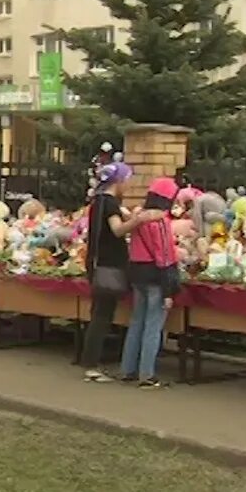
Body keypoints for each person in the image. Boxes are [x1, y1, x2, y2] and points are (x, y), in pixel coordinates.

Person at [79, 160, 160, 383]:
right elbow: (117, 230)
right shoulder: (110, 203)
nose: (129, 185)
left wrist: (132, 216)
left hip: (97, 263)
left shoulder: (98, 201)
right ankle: (92, 366)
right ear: (119, 181)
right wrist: (139, 220)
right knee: (102, 315)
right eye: (127, 180)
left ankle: (89, 362)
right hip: (109, 264)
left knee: (98, 313)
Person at [120, 176, 181, 389]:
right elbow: (164, 257)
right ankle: (147, 374)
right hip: (155, 277)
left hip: (137, 274)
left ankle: (127, 369)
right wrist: (168, 290)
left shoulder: (139, 217)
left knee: (137, 321)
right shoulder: (160, 222)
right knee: (153, 326)